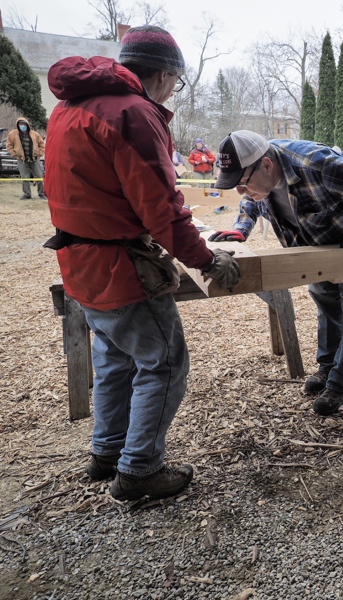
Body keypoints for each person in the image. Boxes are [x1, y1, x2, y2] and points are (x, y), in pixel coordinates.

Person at [44, 25, 242, 501]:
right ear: (162, 74)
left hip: (79, 261)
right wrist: (206, 258)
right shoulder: (133, 113)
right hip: (118, 266)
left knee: (114, 359)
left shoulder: (70, 108)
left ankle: (107, 452)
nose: (174, 90)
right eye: (176, 81)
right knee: (165, 361)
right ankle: (139, 472)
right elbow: (163, 208)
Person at [210, 131, 343, 416]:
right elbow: (252, 200)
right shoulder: (260, 178)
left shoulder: (316, 164)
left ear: (267, 165)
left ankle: (340, 383)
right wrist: (241, 227)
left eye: (243, 182)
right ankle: (326, 368)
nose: (241, 191)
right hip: (310, 251)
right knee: (327, 308)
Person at [6, 117, 46, 200]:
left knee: (39, 176)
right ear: (17, 125)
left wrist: (40, 153)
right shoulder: (12, 134)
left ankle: (41, 193)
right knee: (25, 177)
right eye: (20, 124)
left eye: (24, 124)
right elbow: (9, 146)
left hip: (35, 159)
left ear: (27, 125)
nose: (22, 126)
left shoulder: (35, 134)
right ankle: (27, 194)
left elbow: (42, 144)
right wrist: (15, 154)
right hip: (22, 160)